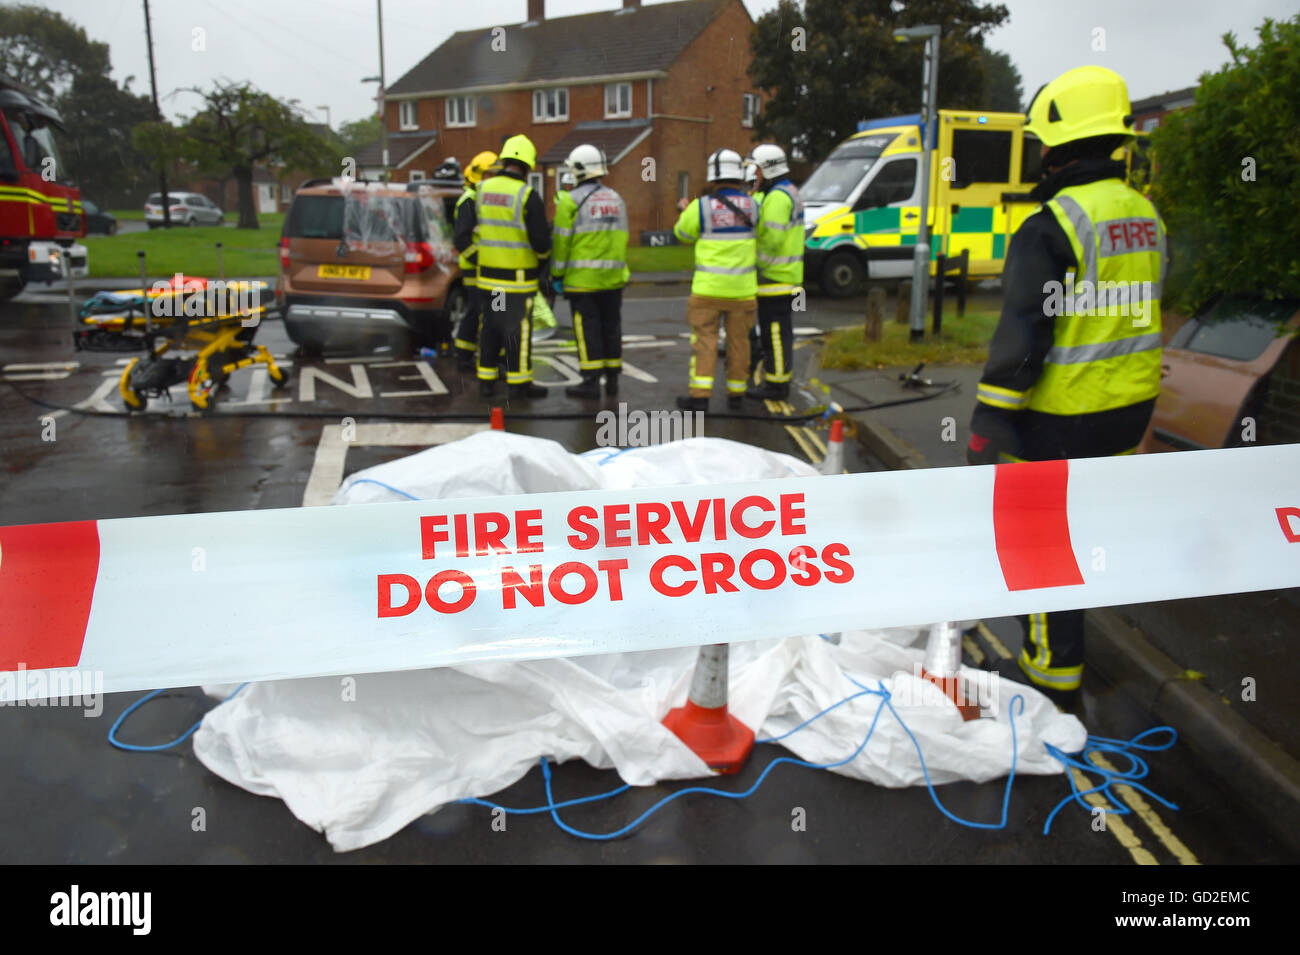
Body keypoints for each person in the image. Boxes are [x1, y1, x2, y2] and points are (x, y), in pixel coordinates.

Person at [966, 65, 1168, 708]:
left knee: (1040, 539)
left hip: (1061, 415)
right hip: (1129, 409)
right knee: (1084, 532)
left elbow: (1023, 341)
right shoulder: (1146, 216)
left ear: (1057, 145)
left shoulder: (1051, 225)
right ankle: (1061, 652)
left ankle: (1051, 677)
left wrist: (986, 424)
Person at [672, 148, 759, 412]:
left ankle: (700, 398)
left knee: (705, 342)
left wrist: (685, 211)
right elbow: (762, 235)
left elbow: (682, 234)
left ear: (713, 177)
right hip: (743, 291)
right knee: (739, 343)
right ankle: (736, 396)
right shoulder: (754, 205)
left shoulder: (701, 206)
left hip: (707, 290)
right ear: (739, 175)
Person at [474, 134, 551, 400]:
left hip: (489, 280)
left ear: (504, 160)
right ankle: (519, 385)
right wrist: (543, 262)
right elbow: (541, 241)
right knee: (517, 332)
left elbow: (474, 232)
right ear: (527, 166)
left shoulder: (482, 190)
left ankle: (486, 381)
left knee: (492, 328)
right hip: (517, 282)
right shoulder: (527, 195)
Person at [551, 144, 630, 399]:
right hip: (613, 280)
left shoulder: (570, 201)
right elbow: (622, 238)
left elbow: (561, 242)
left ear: (578, 170)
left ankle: (590, 382)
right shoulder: (617, 198)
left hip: (582, 282)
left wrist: (557, 275)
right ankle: (613, 379)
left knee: (588, 332)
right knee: (611, 327)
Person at [744, 144, 804, 402]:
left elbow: (772, 241)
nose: (753, 173)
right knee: (777, 333)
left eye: (756, 168)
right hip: (783, 276)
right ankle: (776, 380)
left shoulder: (778, 198)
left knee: (776, 335)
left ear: (767, 169)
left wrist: (748, 257)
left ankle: (777, 386)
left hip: (774, 277)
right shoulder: (784, 191)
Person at [451, 150, 498, 372]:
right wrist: (481, 260)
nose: (495, 178)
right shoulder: (468, 201)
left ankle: (486, 355)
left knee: (492, 312)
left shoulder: (483, 197)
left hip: (489, 268)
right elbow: (461, 239)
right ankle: (463, 356)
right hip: (475, 268)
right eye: (491, 174)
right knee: (476, 311)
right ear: (481, 175)